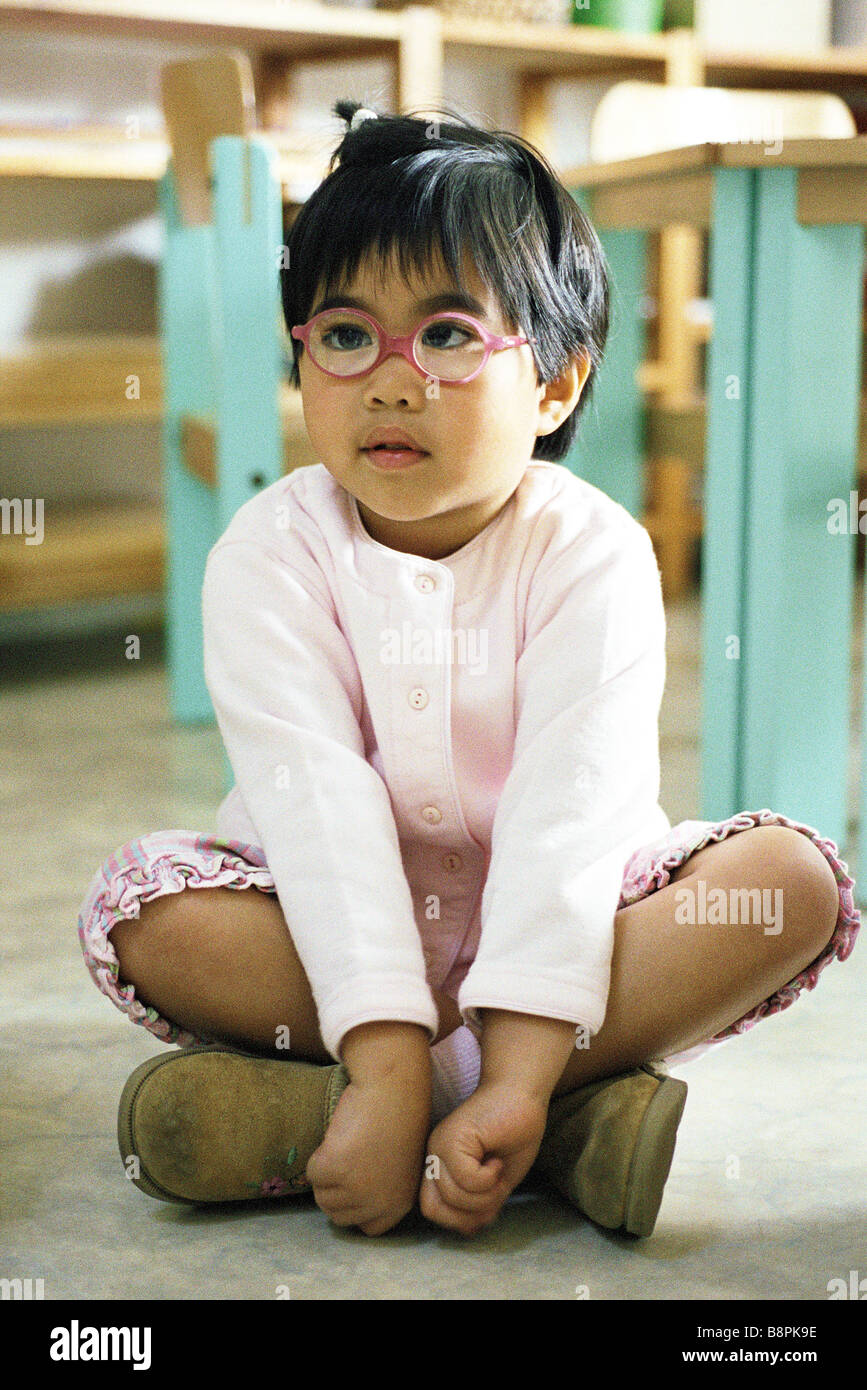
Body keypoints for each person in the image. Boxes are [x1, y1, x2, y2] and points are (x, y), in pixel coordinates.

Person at [77, 100, 859, 1241]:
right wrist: (391, 1057)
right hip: (324, 930)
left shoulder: (593, 551)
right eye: (345, 335)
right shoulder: (268, 551)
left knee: (788, 881)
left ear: (554, 384)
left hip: (574, 926)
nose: (392, 381)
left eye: (447, 334)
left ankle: (427, 1110)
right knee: (150, 914)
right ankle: (544, 1119)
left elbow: (570, 818)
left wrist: (520, 1070)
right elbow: (320, 812)